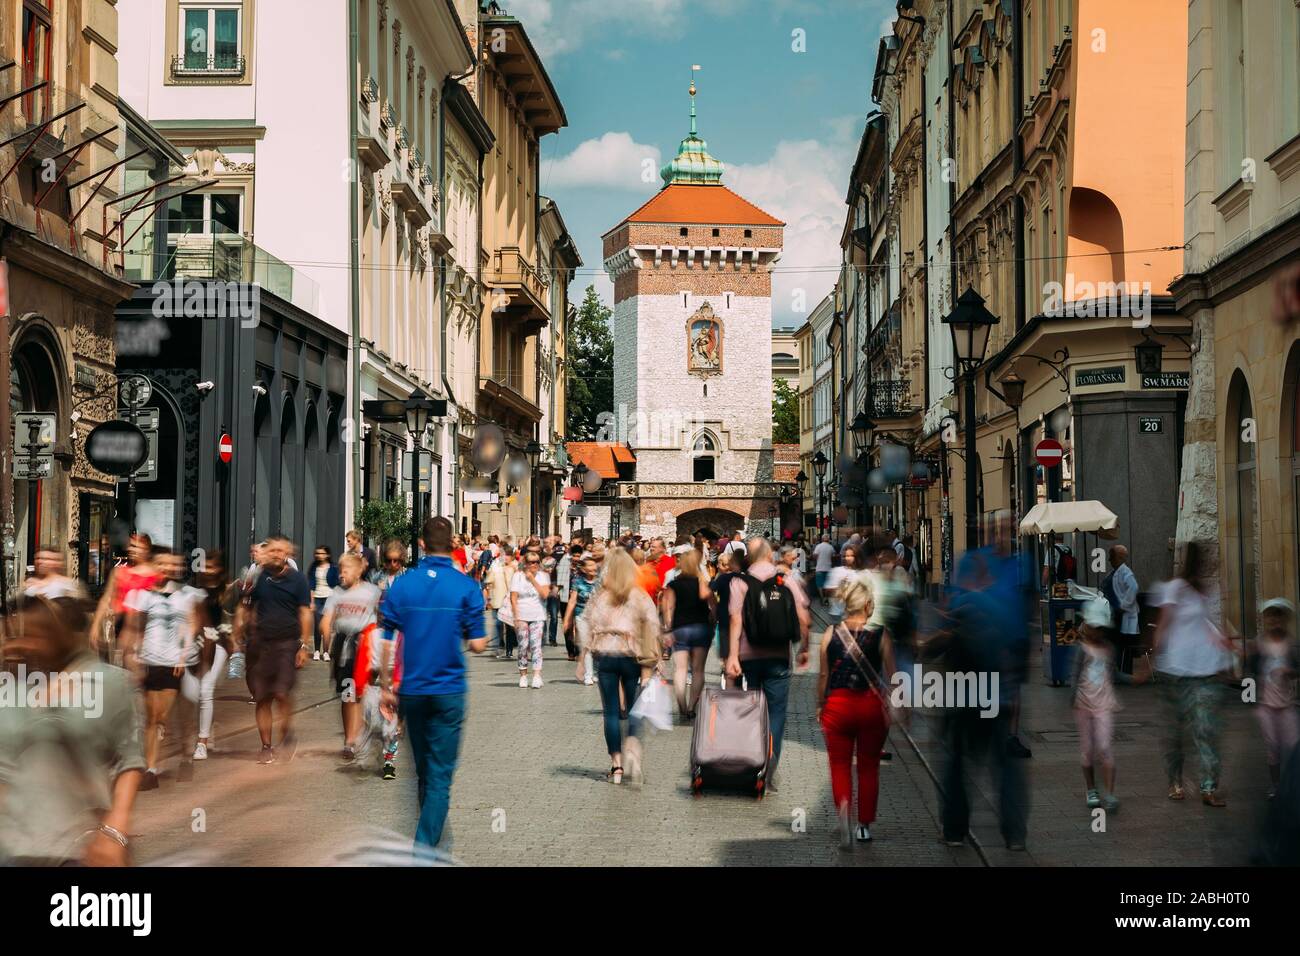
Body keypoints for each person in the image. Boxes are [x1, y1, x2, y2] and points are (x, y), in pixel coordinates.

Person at [0, 596, 144, 866]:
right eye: (12, 637)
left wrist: (115, 831)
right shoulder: (8, 693)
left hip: (81, 849)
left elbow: (130, 761)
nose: (21, 646)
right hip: (14, 850)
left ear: (56, 636)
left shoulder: (108, 683)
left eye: (33, 636)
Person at [379, 516, 487, 850]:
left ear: (422, 544)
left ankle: (434, 836)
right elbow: (479, 644)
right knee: (440, 776)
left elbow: (385, 639)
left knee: (425, 771)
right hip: (449, 690)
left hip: (412, 689)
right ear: (453, 544)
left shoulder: (402, 585)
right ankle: (424, 848)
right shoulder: (466, 586)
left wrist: (385, 685)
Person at [724, 537, 812, 791]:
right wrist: (804, 648)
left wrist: (731, 656)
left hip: (749, 657)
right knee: (776, 713)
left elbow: (734, 619)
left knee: (753, 711)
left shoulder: (740, 581)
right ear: (770, 554)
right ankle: (769, 767)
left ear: (750, 557)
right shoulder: (785, 579)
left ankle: (754, 762)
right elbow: (804, 617)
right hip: (779, 656)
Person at [1152, 541, 1232, 806]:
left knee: (1206, 729)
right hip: (1176, 670)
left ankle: (1208, 787)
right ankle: (1175, 781)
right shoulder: (1174, 589)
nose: (1208, 565)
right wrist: (1150, 658)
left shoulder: (1202, 592)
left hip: (1205, 670)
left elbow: (1206, 625)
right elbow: (1163, 624)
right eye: (1205, 560)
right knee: (1176, 733)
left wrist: (1223, 647)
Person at [816, 576, 893, 846]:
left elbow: (824, 675)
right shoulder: (881, 635)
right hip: (870, 705)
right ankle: (864, 826)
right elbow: (893, 678)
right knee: (869, 766)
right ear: (869, 605)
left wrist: (819, 705)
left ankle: (844, 813)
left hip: (838, 705)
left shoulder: (830, 634)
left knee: (839, 765)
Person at [578, 548, 662, 785]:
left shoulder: (601, 597)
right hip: (632, 655)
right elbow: (653, 625)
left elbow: (585, 624)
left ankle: (616, 764)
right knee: (635, 706)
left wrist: (583, 656)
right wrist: (657, 655)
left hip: (606, 655)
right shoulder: (639, 595)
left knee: (611, 712)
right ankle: (633, 745)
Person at [123, 548, 203, 789]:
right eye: (161, 564)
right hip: (150, 660)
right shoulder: (142, 596)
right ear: (154, 566)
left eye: (171, 565)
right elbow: (135, 627)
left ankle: (172, 760)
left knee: (164, 717)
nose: (167, 568)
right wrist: (132, 654)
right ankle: (150, 768)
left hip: (174, 663)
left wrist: (182, 656)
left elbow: (191, 626)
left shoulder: (185, 596)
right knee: (150, 718)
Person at [237, 533, 313, 764]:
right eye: (273, 551)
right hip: (260, 646)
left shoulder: (298, 580)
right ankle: (266, 746)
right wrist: (240, 632)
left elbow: (305, 612)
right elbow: (247, 605)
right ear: (266, 553)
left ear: (288, 553)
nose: (277, 554)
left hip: (286, 644)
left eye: (281, 550)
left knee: (281, 693)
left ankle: (287, 733)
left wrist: (304, 645)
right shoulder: (258, 577)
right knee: (262, 697)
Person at [1072, 597, 1136, 813]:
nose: (1096, 632)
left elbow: (1114, 674)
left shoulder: (1109, 649)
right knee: (1087, 751)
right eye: (1093, 627)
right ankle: (1091, 789)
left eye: (1100, 628)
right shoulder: (1081, 649)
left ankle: (1109, 794)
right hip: (1083, 705)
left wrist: (1132, 678)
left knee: (1105, 748)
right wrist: (1073, 700)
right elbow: (1074, 676)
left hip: (1104, 705)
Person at [322, 553, 382, 761]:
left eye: (346, 569)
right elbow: (327, 618)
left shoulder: (372, 592)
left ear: (359, 571)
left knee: (361, 694)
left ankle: (362, 735)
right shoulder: (336, 593)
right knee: (347, 695)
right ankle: (350, 740)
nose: (341, 574)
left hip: (365, 647)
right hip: (344, 647)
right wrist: (327, 641)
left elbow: (382, 616)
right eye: (340, 570)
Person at [181, 550, 239, 762]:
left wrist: (233, 641)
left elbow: (234, 620)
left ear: (220, 569)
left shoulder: (228, 591)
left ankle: (202, 742)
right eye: (205, 565)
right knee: (190, 693)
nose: (208, 569)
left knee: (206, 690)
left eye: (213, 566)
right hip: (197, 644)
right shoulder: (193, 590)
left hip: (220, 644)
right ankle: (204, 727)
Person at [1248, 599, 1299, 797]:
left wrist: (1290, 672)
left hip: (1287, 704)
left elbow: (1298, 669)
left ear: (1285, 619)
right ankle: (1276, 785)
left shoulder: (1291, 643)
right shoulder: (1259, 643)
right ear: (1266, 619)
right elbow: (1250, 673)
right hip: (1265, 705)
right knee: (1272, 746)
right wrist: (1251, 701)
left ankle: (1293, 784)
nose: (1275, 621)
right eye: (1271, 616)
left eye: (1279, 616)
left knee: (1294, 745)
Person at [662, 546, 715, 719]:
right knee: (698, 670)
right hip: (700, 628)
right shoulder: (701, 584)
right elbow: (713, 606)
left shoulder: (673, 585)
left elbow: (668, 608)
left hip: (680, 629)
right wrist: (712, 622)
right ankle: (692, 706)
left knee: (680, 670)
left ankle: (682, 705)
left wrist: (668, 629)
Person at [88, 532, 157, 656]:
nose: (131, 549)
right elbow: (106, 598)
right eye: (130, 546)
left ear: (147, 549)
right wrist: (96, 625)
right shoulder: (120, 571)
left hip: (146, 630)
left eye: (136, 546)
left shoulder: (155, 574)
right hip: (120, 625)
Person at [510, 549, 551, 688]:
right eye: (531, 562)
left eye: (537, 562)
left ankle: (537, 676)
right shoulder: (517, 576)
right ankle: (523, 675)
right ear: (525, 563)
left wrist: (533, 579)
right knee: (522, 646)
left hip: (538, 615)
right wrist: (515, 617)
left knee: (536, 646)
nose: (534, 564)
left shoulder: (543, 576)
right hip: (521, 615)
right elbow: (513, 598)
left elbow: (545, 594)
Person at [1101, 545, 1140, 669]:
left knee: (1120, 642)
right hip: (1115, 612)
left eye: (1111, 557)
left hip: (1122, 613)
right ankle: (1116, 668)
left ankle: (1121, 670)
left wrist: (1124, 606)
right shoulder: (1115, 572)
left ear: (1119, 557)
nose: (1109, 560)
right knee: (1115, 641)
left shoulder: (1125, 572)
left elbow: (1134, 587)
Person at [564, 553, 599, 684]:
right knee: (587, 646)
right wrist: (567, 619)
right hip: (582, 616)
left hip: (598, 617)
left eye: (594, 564)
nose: (593, 567)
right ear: (584, 569)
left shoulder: (601, 581)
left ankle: (596, 672)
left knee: (597, 646)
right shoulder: (577, 581)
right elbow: (572, 601)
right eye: (589, 565)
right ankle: (588, 675)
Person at [309, 546, 340, 661]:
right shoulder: (313, 568)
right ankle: (317, 651)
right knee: (317, 626)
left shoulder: (333, 568)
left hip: (329, 598)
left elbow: (337, 584)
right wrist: (311, 602)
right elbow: (311, 586)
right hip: (317, 598)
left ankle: (326, 651)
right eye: (317, 553)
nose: (319, 555)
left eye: (322, 553)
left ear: (327, 555)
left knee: (327, 627)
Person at [23, 548, 88, 601]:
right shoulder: (30, 582)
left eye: (46, 559)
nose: (40, 562)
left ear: (57, 563)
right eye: (38, 558)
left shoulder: (67, 584)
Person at [823, 543, 863, 625]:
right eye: (845, 556)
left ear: (857, 556)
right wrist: (841, 586)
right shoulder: (836, 571)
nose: (846, 558)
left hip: (853, 614)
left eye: (850, 556)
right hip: (836, 614)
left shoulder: (861, 573)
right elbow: (827, 592)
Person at [556, 542, 576, 658]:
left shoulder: (584, 563)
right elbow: (560, 581)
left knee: (577, 625)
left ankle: (578, 648)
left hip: (579, 599)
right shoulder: (564, 561)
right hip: (565, 597)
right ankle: (571, 650)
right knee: (567, 624)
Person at [813, 533, 836, 606]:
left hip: (819, 568)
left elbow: (815, 556)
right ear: (828, 539)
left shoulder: (818, 546)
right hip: (828, 568)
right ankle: (826, 598)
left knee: (820, 585)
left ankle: (822, 599)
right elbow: (833, 557)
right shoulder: (831, 547)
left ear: (822, 539)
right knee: (827, 585)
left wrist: (818, 560)